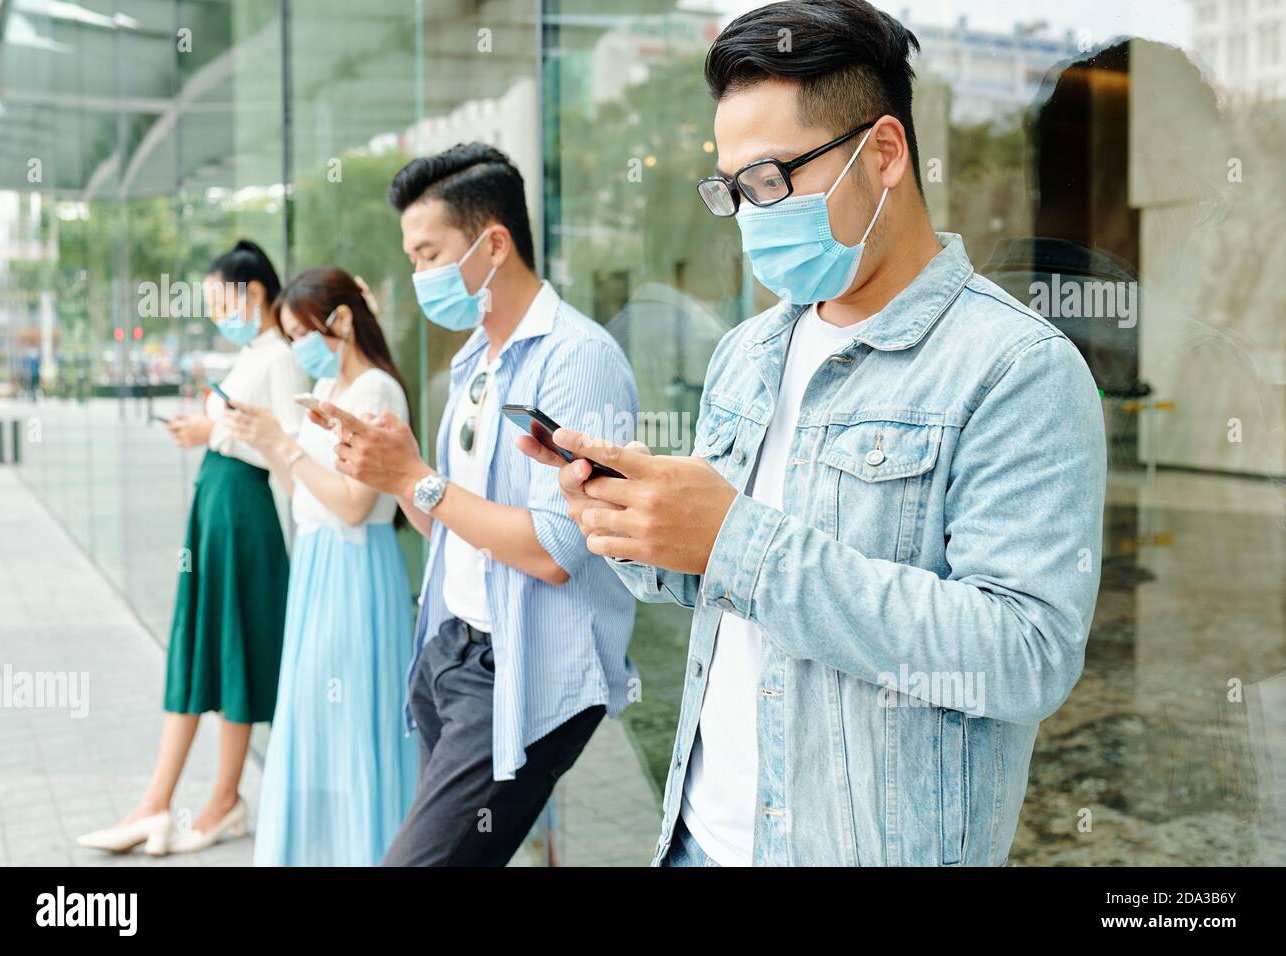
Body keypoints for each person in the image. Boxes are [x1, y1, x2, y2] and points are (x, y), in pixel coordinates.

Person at [518, 0, 1107, 867]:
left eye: (770, 179)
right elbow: (714, 586)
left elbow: (1024, 657)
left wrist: (737, 541)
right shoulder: (748, 351)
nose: (751, 212)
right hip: (698, 840)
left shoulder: (1016, 368)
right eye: (732, 190)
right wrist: (635, 524)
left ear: (884, 153)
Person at [313, 143, 639, 866]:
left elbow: (555, 553)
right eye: (412, 258)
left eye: (430, 255)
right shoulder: (474, 362)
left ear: (493, 244)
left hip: (520, 674)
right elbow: (453, 528)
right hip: (451, 650)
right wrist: (398, 475)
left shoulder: (577, 359)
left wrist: (419, 479)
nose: (419, 276)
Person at [76, 239, 306, 856]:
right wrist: (212, 429)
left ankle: (211, 800)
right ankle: (172, 802)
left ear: (252, 293)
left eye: (218, 301)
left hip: (242, 512)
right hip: (220, 508)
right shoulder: (255, 352)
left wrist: (217, 430)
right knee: (209, 644)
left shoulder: (278, 357)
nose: (214, 314)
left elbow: (293, 452)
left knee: (228, 646)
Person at [226, 267, 418, 866]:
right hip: (316, 561)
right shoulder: (328, 391)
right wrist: (268, 442)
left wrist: (284, 446)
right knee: (314, 722)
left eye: (301, 331)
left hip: (355, 569)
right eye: (287, 335)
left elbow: (357, 507)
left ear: (340, 320)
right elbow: (301, 493)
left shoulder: (377, 393)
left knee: (353, 722)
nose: (297, 346)